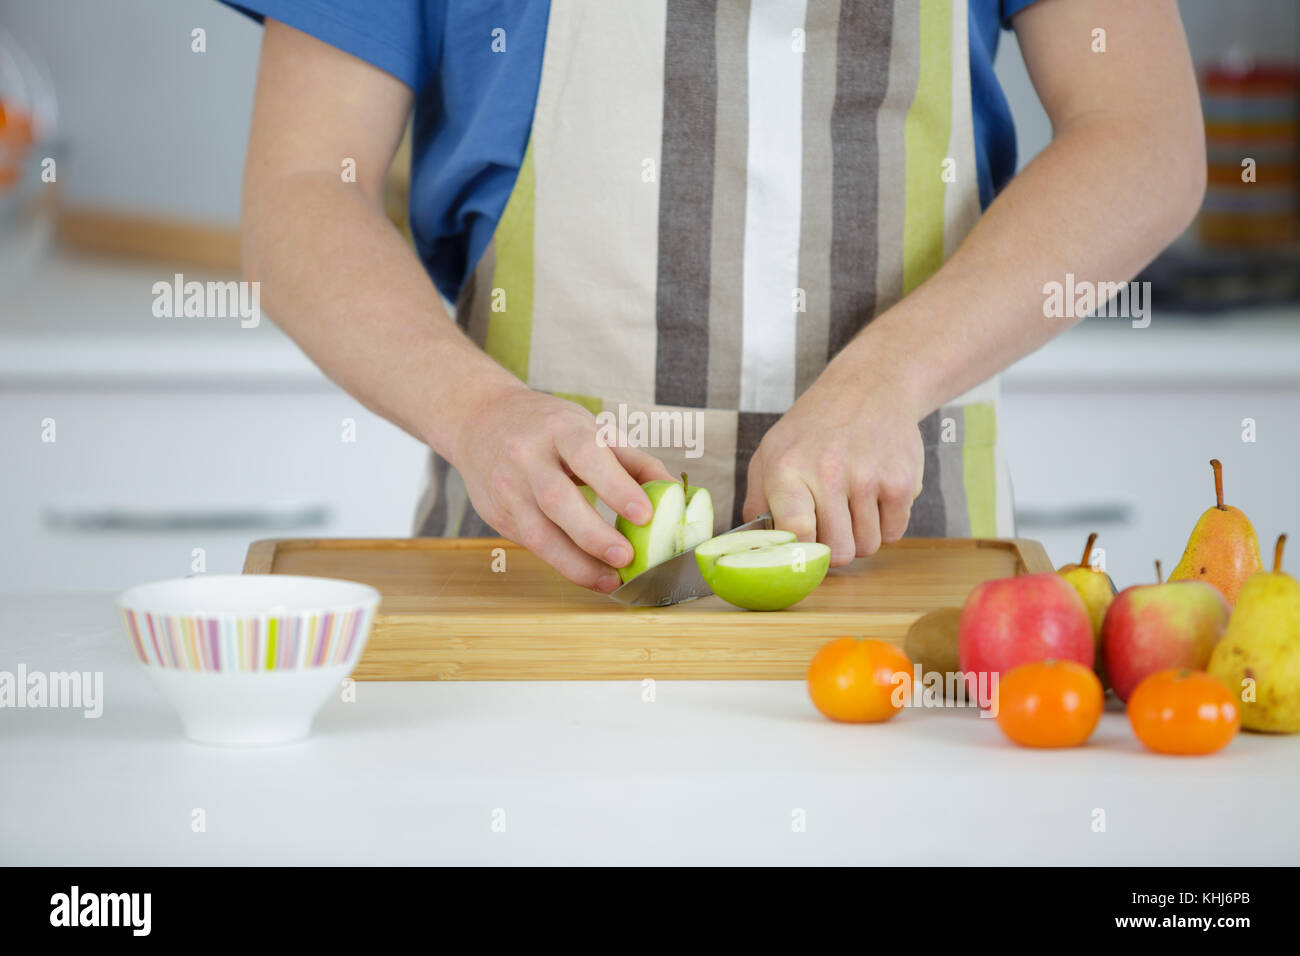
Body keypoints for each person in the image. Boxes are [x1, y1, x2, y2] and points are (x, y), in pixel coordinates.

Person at [224, 0, 1205, 592]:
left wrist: (886, 379)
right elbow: (306, 184)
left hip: (911, 591)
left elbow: (1143, 135)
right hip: (524, 590)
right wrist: (478, 413)